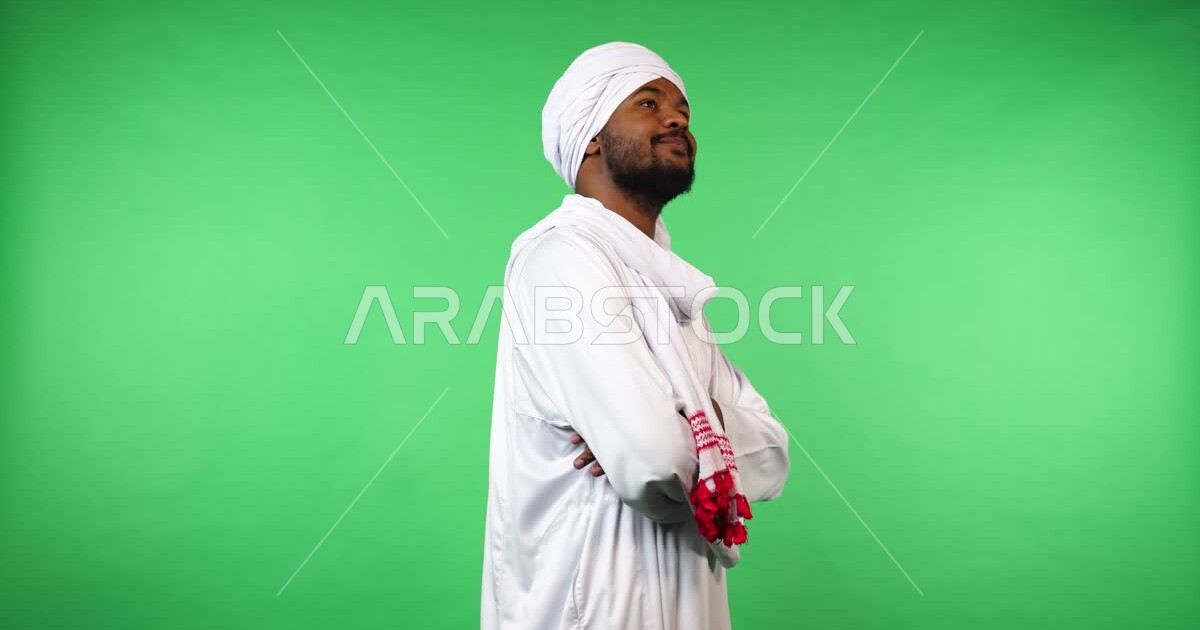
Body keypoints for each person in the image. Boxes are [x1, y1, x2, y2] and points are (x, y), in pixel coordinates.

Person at [481, 41, 791, 630]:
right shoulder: (562, 256)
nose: (678, 119)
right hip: (595, 597)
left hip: (689, 598)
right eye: (649, 103)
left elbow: (773, 456)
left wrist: (699, 424)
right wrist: (703, 430)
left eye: (683, 110)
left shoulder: (671, 286)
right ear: (591, 136)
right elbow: (658, 459)